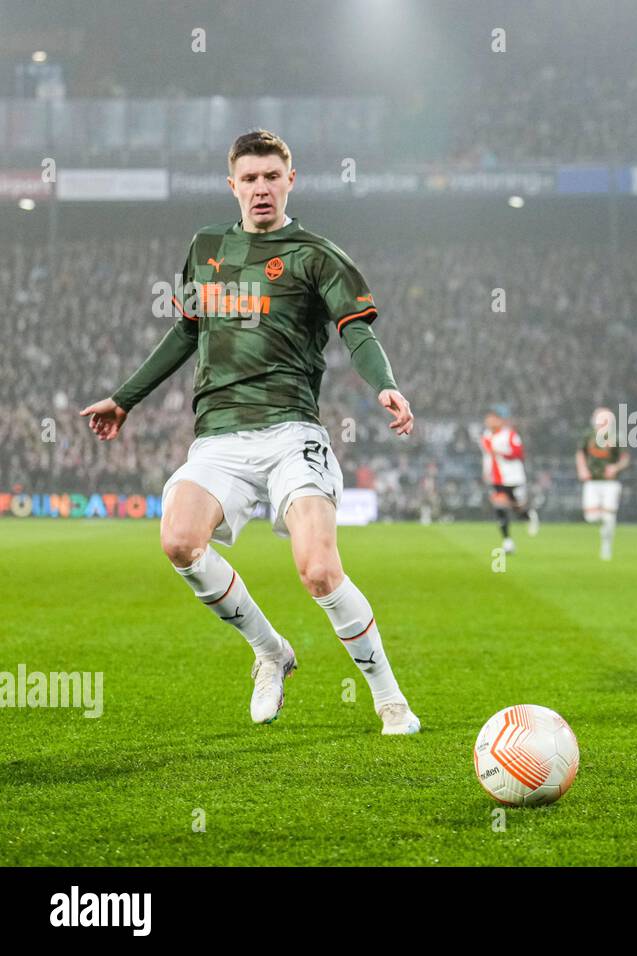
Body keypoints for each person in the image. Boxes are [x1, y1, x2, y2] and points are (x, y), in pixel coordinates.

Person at [79, 129, 420, 734]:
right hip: (219, 436)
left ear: (291, 181)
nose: (261, 188)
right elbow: (186, 332)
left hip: (291, 430)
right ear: (231, 185)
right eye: (250, 178)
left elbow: (357, 330)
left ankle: (389, 699)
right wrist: (125, 399)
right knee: (179, 541)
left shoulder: (316, 254)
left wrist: (384, 383)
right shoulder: (206, 246)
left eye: (271, 177)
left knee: (318, 569)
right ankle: (270, 652)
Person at [482, 404, 538, 554]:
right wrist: (486, 472)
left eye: (493, 418)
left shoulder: (510, 435)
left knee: (517, 507)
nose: (489, 421)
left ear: (500, 420)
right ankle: (507, 541)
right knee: (500, 508)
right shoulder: (486, 436)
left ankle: (528, 515)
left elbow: (519, 454)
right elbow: (487, 457)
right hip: (497, 479)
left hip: (513, 478)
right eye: (488, 418)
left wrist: (501, 453)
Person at [577, 406, 630, 560]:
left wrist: (615, 467)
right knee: (591, 517)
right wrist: (582, 469)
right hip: (592, 481)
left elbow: (625, 459)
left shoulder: (617, 437)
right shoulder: (588, 435)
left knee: (609, 516)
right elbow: (580, 453)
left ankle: (606, 546)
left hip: (610, 483)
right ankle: (605, 525)